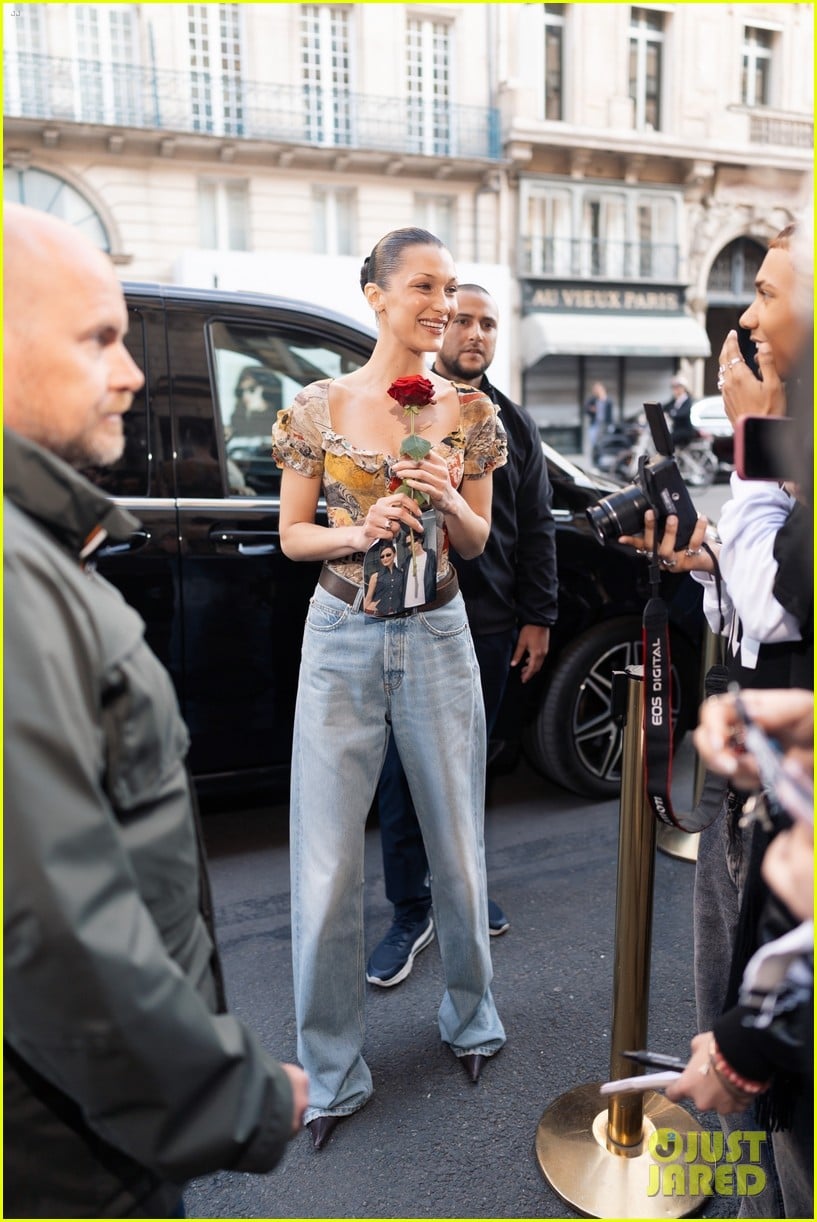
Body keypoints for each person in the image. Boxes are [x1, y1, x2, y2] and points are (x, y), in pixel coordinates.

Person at [3, 203, 308, 1218]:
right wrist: (240, 1101)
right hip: (64, 1158)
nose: (133, 373)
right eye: (100, 338)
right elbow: (52, 932)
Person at [272, 231, 507, 1151]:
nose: (441, 302)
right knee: (326, 868)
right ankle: (331, 1073)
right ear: (375, 296)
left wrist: (448, 499)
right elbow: (292, 536)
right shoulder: (315, 405)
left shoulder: (469, 411)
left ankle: (472, 1021)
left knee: (456, 845)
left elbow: (480, 541)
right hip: (338, 638)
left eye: (449, 287)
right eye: (423, 285)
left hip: (440, 633)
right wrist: (356, 528)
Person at [619, 221, 812, 1219]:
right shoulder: (792, 428)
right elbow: (760, 590)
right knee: (719, 995)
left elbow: (786, 599)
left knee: (759, 1040)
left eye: (770, 292)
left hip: (787, 801)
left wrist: (745, 453)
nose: (746, 315)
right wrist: (708, 563)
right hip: (749, 755)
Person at [366, 284, 558, 987]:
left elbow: (536, 527)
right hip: (406, 615)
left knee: (466, 769)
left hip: (490, 624)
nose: (475, 333)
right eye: (462, 320)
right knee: (400, 773)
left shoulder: (508, 420)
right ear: (436, 327)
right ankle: (409, 909)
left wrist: (538, 616)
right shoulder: (391, 405)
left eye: (487, 323)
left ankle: (460, 891)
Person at [666, 687, 813, 1221]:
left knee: (798, 1123)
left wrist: (748, 1043)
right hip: (746, 794)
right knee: (718, 1025)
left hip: (796, 816)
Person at [363, 541, 405, 614]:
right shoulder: (375, 576)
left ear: (394, 554)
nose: (385, 558)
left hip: (396, 614)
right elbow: (368, 598)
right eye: (382, 556)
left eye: (388, 555)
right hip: (374, 612)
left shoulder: (402, 575)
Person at [662, 372, 697, 448]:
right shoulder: (675, 400)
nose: (675, 390)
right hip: (675, 429)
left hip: (685, 431)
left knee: (668, 440)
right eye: (673, 387)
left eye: (677, 387)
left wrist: (671, 413)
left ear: (683, 388)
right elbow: (664, 407)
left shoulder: (687, 400)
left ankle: (669, 458)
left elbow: (682, 413)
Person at [584, 380, 615, 462]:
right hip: (595, 424)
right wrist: (592, 409)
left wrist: (611, 425)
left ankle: (601, 458)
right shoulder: (593, 399)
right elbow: (586, 408)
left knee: (603, 442)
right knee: (594, 442)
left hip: (605, 424)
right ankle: (595, 459)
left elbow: (610, 414)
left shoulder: (608, 400)